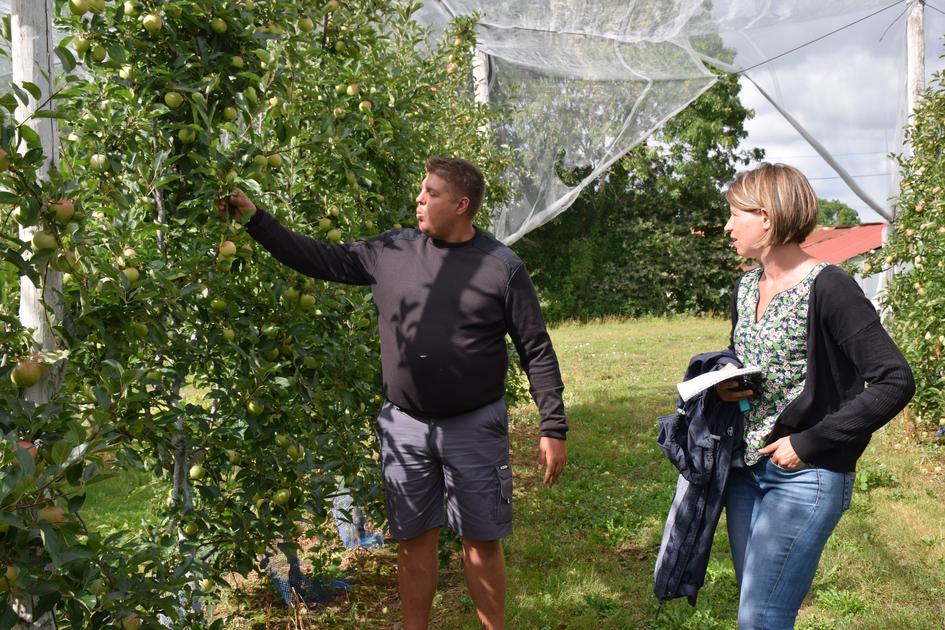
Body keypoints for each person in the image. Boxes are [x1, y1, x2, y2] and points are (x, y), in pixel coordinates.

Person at [219, 156, 567, 630]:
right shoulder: (392, 250)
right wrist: (257, 221)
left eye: (431, 193)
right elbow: (319, 257)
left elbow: (536, 349)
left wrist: (553, 426)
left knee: (481, 540)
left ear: (462, 205)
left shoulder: (500, 267)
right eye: (421, 190)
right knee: (413, 537)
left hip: (474, 424)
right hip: (404, 425)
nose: (419, 199)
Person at [715, 162, 914, 630]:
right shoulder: (746, 288)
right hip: (746, 471)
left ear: (766, 216)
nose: (726, 226)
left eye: (734, 214)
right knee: (756, 610)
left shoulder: (830, 287)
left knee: (761, 618)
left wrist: (809, 442)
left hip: (805, 474)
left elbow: (894, 379)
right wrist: (728, 380)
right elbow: (750, 360)